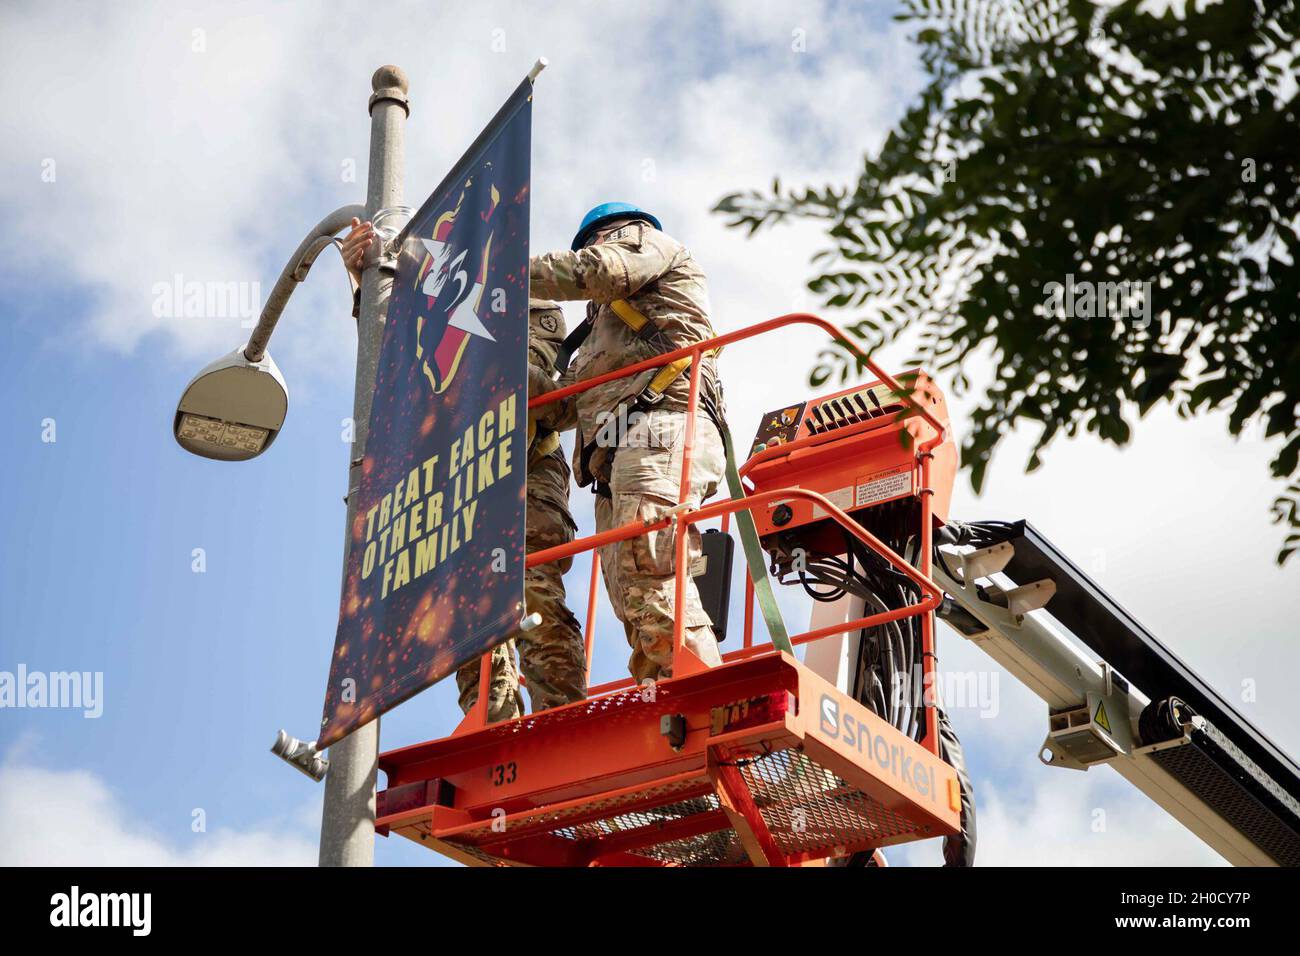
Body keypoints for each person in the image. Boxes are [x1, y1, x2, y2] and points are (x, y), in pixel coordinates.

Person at [341, 220, 586, 722]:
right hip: (456, 475)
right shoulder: (427, 310)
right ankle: (490, 725)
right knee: (467, 611)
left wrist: (480, 351)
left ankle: (560, 720)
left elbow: (536, 389)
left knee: (532, 595)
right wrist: (367, 282)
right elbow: (392, 364)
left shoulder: (528, 301)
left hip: (525, 471)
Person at [527, 202, 727, 684]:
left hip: (661, 426)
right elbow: (565, 404)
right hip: (618, 460)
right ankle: (663, 697)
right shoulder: (602, 333)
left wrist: (492, 273)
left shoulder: (648, 244)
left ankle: (699, 690)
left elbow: (593, 271)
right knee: (632, 599)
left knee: (652, 570)